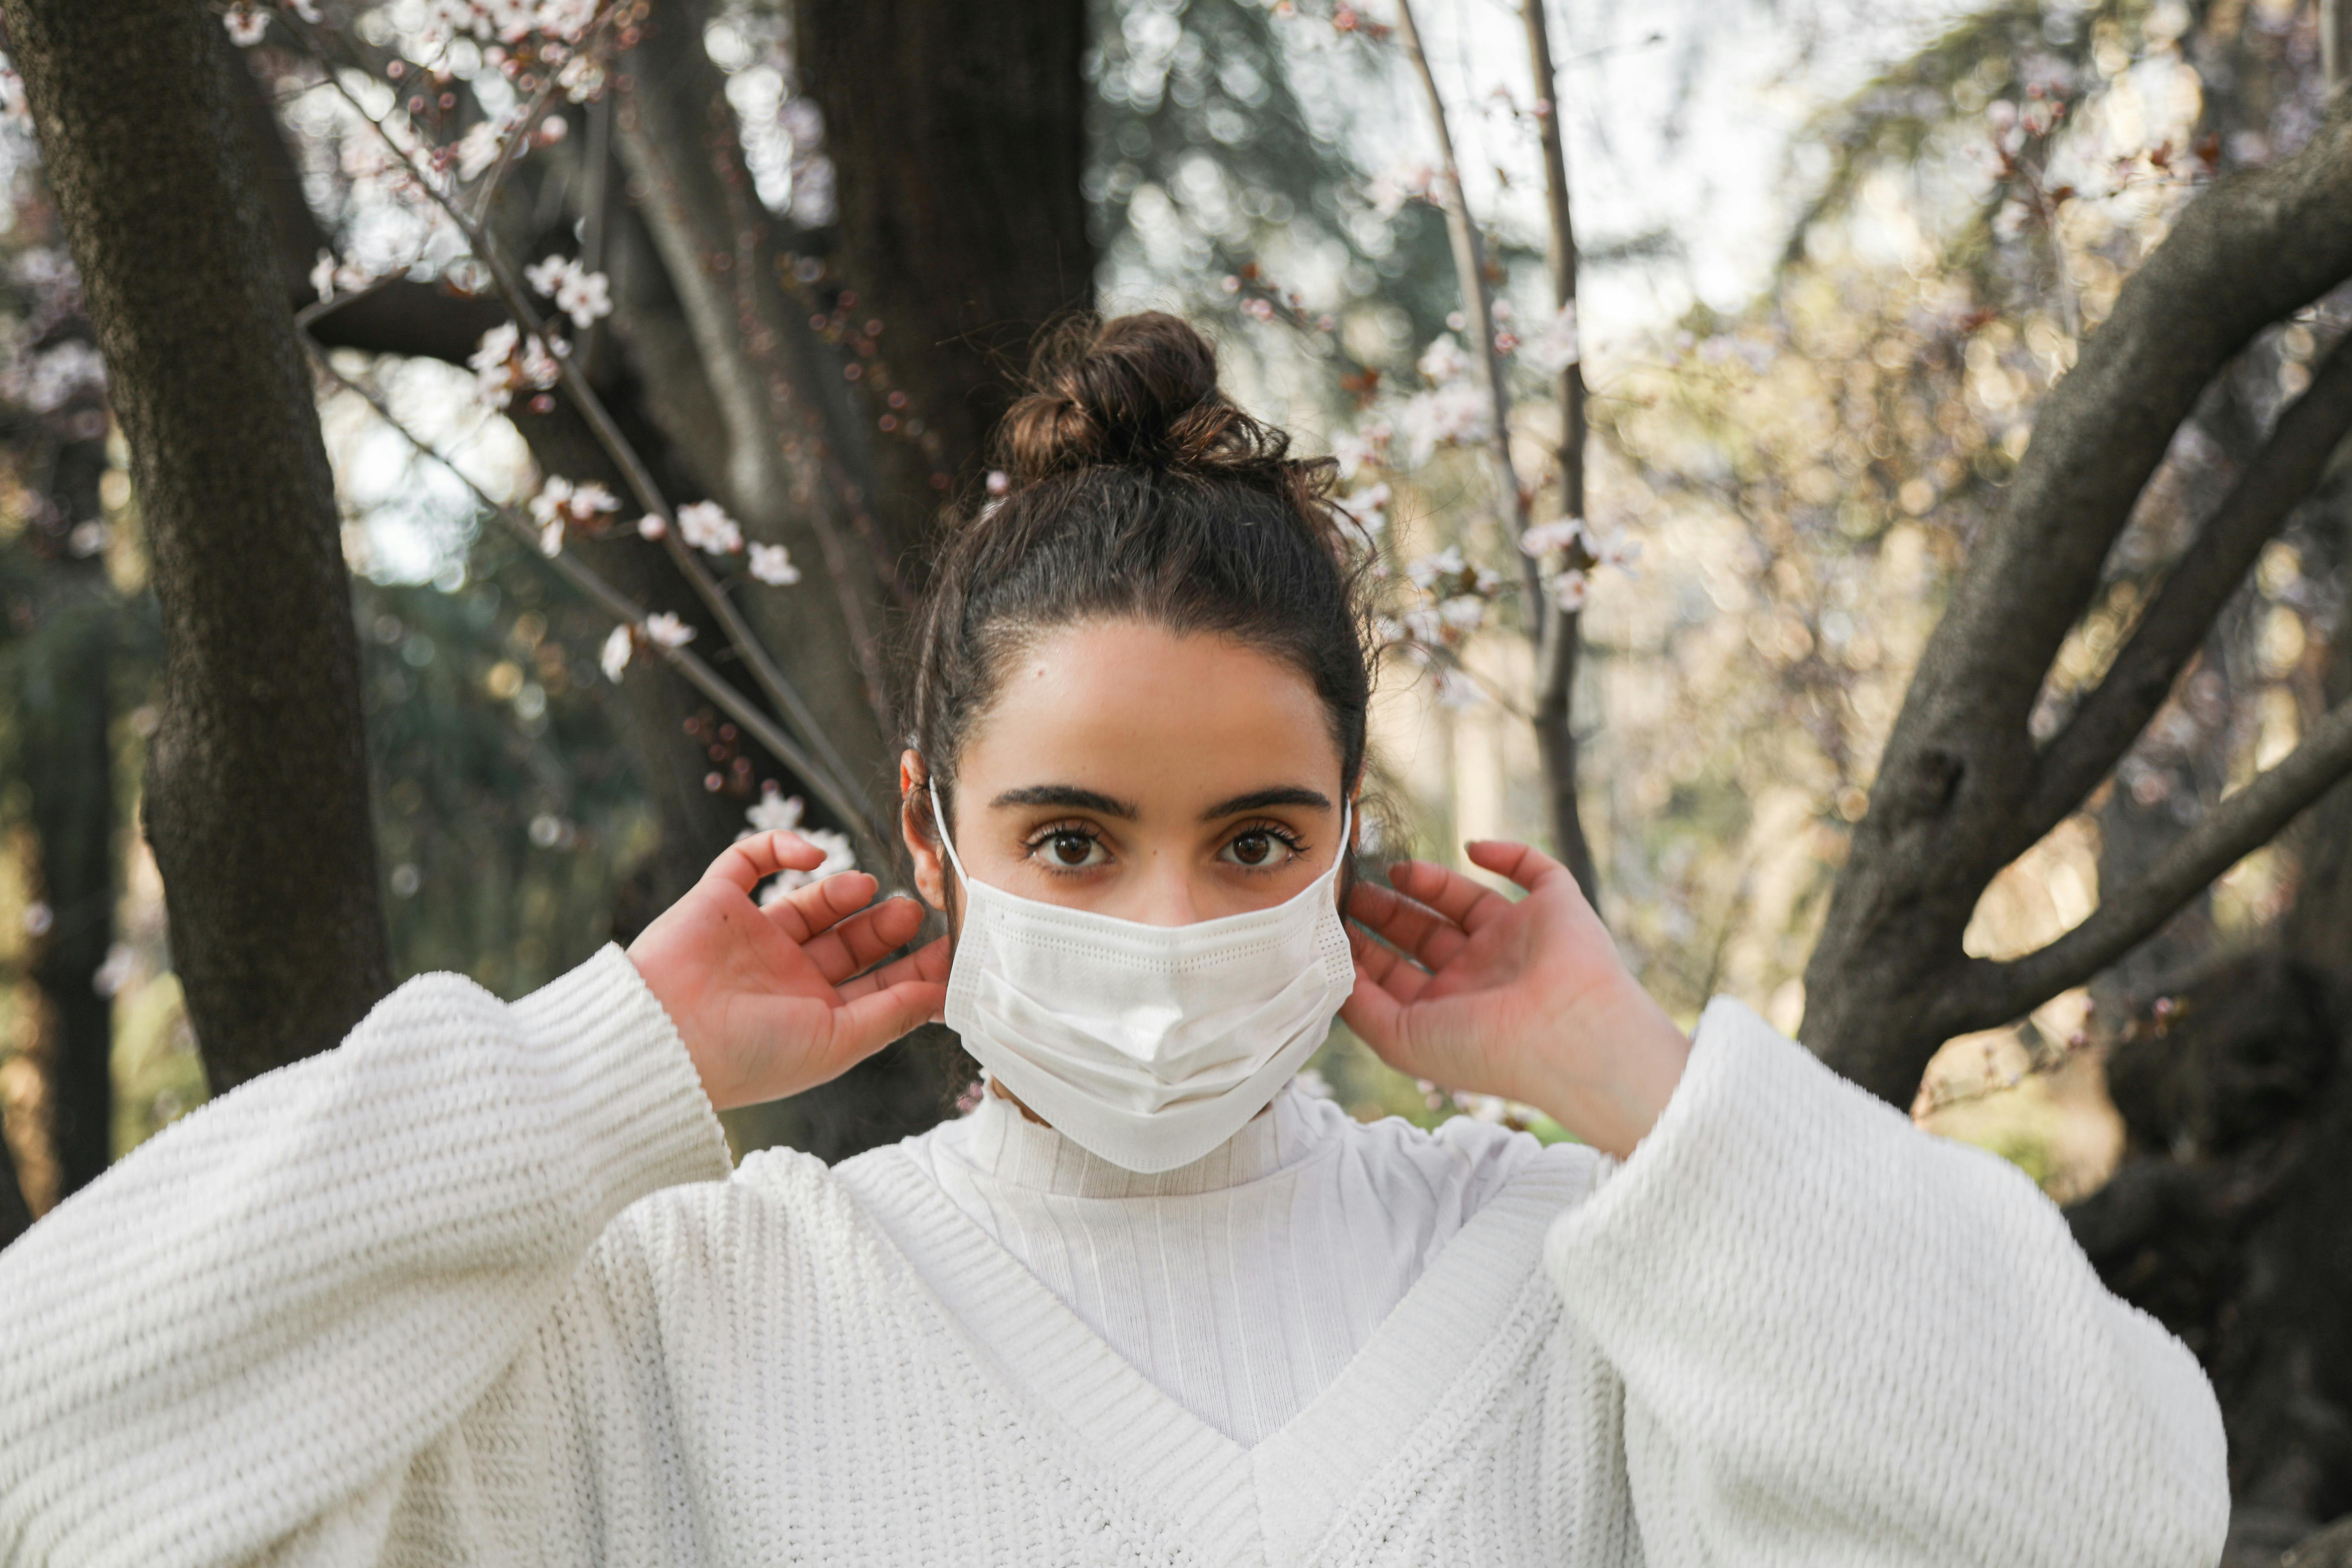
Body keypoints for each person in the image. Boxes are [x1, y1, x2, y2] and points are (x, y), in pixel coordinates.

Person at [0, 313, 2223, 1567]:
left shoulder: (1580, 1298)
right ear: (925, 835)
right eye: (1070, 840)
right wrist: (596, 1080)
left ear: (1356, 843)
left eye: (1257, 841)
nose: (1169, 924)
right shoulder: (696, 1319)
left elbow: (2112, 1515)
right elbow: (47, 1457)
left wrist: (1642, 1095)